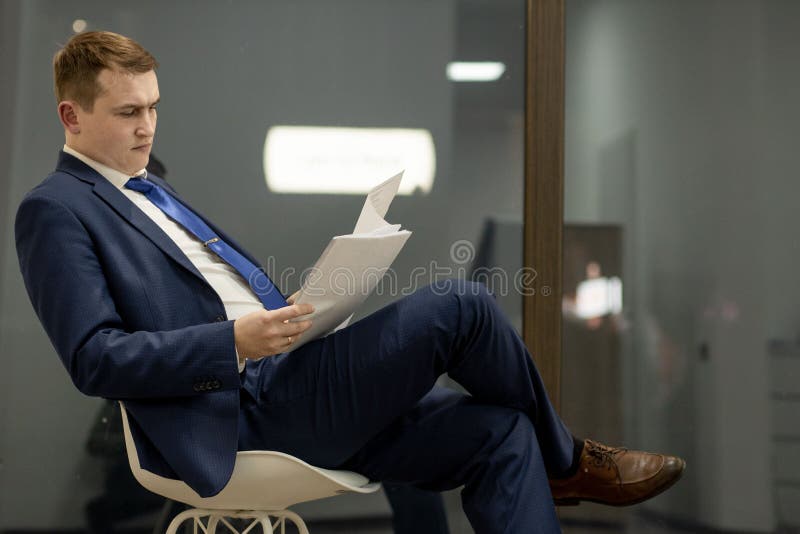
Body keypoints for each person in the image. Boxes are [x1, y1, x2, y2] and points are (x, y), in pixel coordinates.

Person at [15, 31, 684, 533]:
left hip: (291, 377)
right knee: (461, 304)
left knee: (501, 428)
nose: (147, 125)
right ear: (72, 117)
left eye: (154, 107)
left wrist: (313, 306)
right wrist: (235, 342)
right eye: (129, 112)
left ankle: (552, 456)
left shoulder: (149, 186)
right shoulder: (56, 209)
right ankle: (570, 463)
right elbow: (95, 359)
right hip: (244, 411)